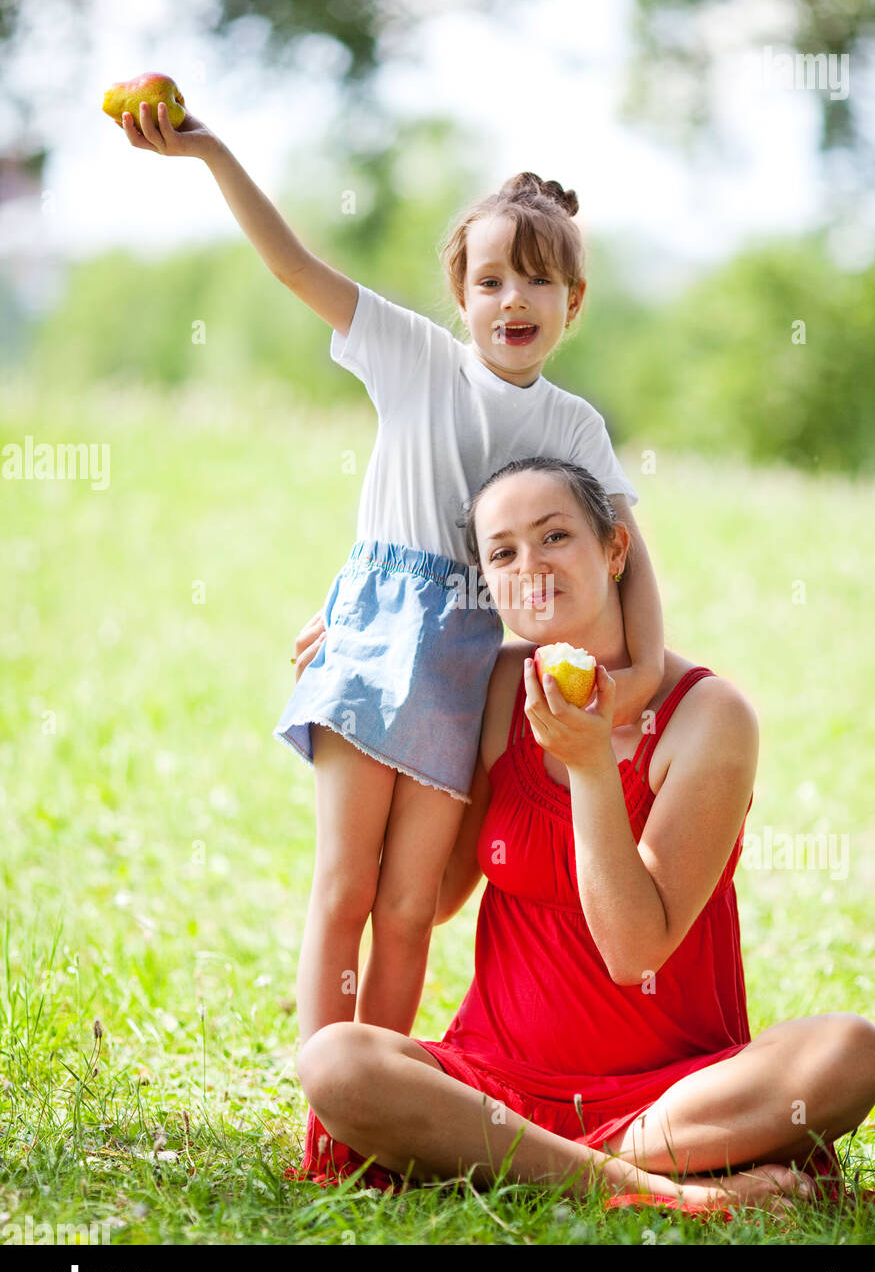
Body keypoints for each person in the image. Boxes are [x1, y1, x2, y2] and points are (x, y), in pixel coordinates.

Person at [118, 103, 665, 1051]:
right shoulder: (415, 357)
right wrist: (211, 153)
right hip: (370, 640)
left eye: (539, 280)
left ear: (573, 303)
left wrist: (644, 669)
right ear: (461, 296)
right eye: (490, 278)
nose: (513, 299)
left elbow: (627, 550)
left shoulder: (573, 425)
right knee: (345, 889)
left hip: (466, 668)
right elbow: (294, 266)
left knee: (411, 910)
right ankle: (326, 1107)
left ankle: (379, 1104)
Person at [288, 458, 875, 1217]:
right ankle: (668, 1192)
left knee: (850, 1052)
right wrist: (354, 677)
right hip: (496, 1081)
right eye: (503, 553)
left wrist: (590, 767)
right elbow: (434, 896)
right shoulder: (495, 687)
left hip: (671, 1096)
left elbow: (633, 949)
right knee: (339, 1063)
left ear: (614, 550)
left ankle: (513, 1159)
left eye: (554, 537)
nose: (531, 566)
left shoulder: (709, 718)